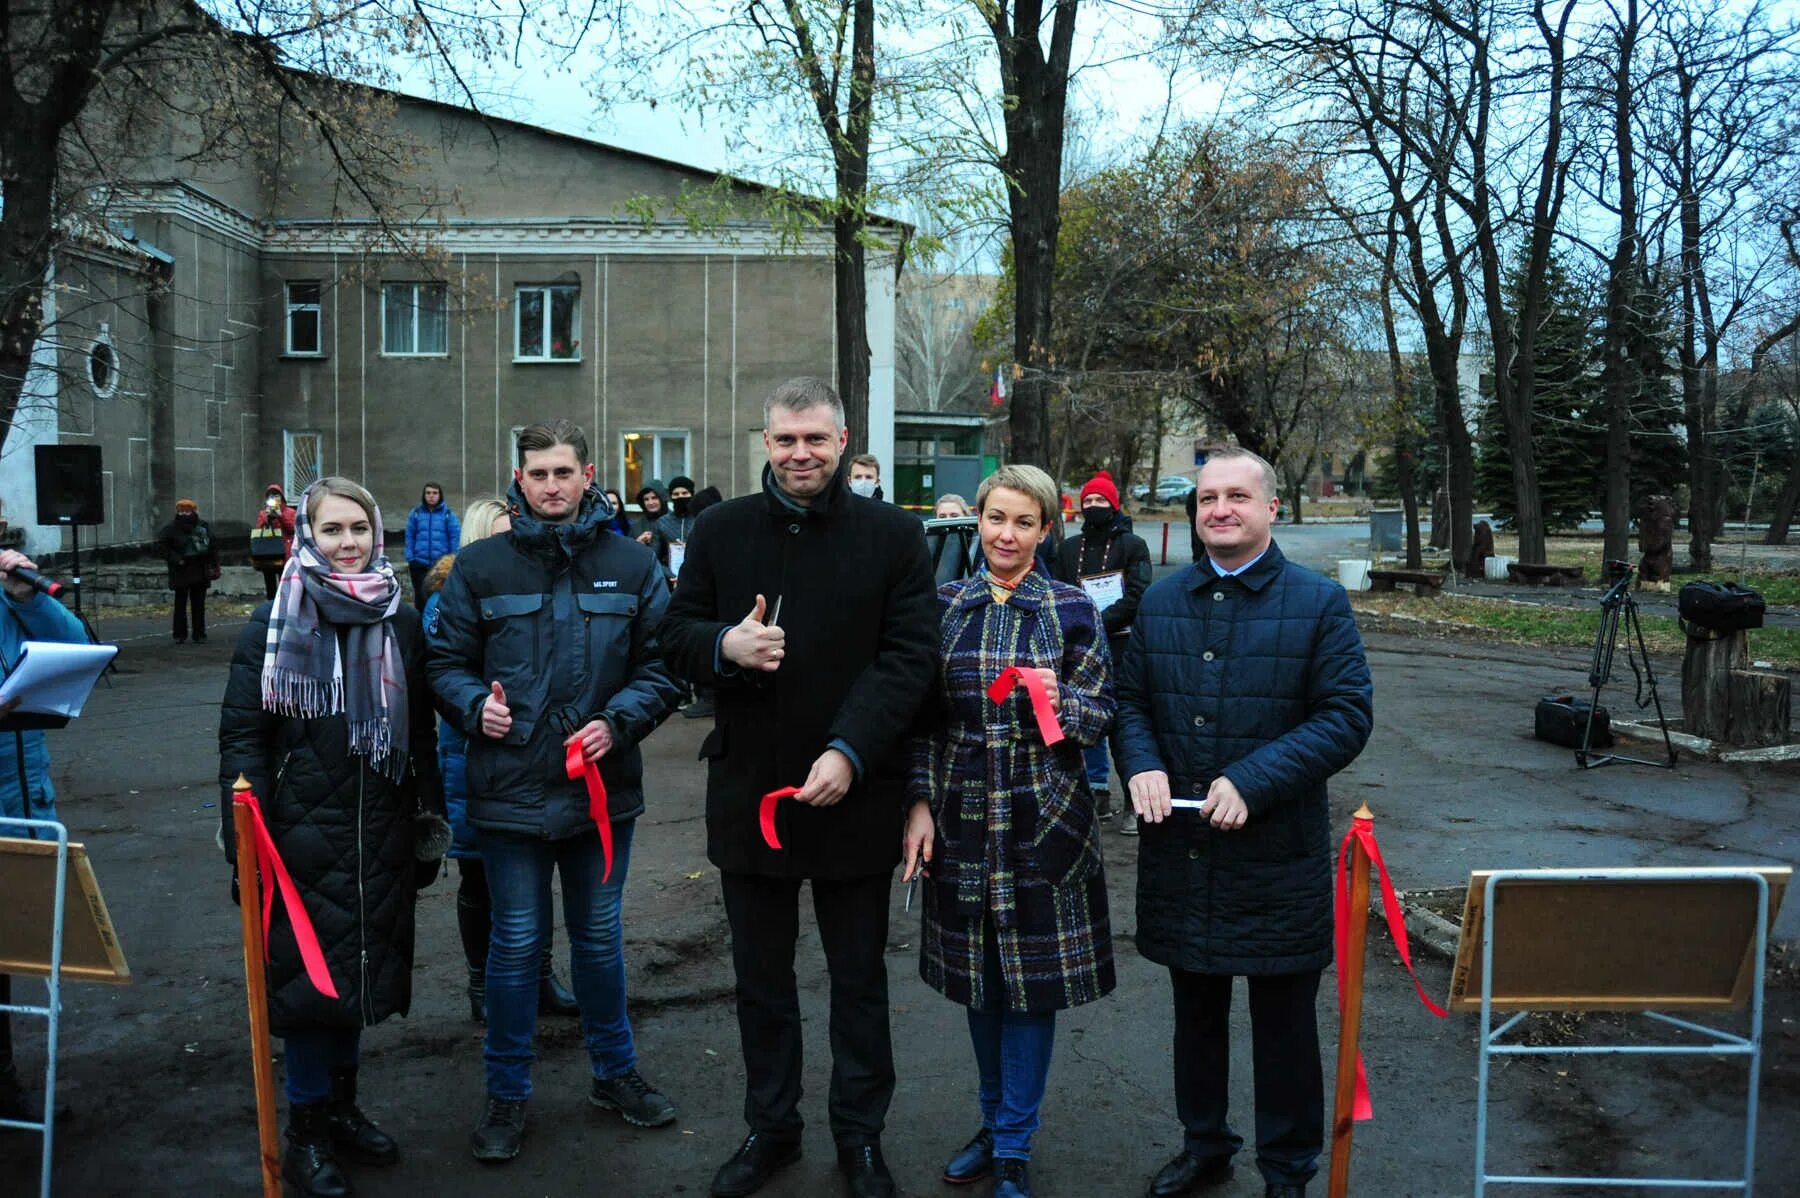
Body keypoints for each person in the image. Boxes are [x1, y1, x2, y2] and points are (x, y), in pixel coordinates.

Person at [660, 377, 937, 1198]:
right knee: (761, 982)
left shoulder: (893, 535)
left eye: (815, 438)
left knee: (858, 981)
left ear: (843, 439)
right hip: (751, 791)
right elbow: (672, 636)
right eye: (785, 440)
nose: (800, 454)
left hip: (856, 790)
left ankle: (861, 1136)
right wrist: (724, 645)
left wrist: (852, 749)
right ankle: (771, 1130)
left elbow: (910, 656)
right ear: (766, 443)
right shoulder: (719, 529)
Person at [1114, 448, 1372, 1198]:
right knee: (1195, 1014)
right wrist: (1142, 765)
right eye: (1206, 499)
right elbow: (1132, 705)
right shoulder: (1163, 601)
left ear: (1270, 509)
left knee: (1283, 1027)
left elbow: (1346, 716)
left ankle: (1287, 1168)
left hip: (1274, 856)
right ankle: (1205, 1144)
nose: (1219, 509)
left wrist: (1254, 781)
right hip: (1184, 852)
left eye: (1236, 496)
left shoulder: (1317, 602)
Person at [429, 420, 684, 1165]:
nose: (550, 486)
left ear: (587, 474)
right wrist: (476, 707)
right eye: (537, 473)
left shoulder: (631, 566)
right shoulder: (479, 567)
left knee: (599, 940)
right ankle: (506, 1091)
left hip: (602, 795)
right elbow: (443, 663)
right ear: (520, 476)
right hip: (507, 792)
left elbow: (664, 667)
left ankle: (615, 1074)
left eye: (562, 472)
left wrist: (619, 721)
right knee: (515, 945)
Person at [217, 477, 445, 1198]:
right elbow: (243, 739)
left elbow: (419, 736)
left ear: (377, 535)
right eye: (332, 530)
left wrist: (426, 824)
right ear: (305, 536)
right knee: (307, 987)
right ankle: (307, 1130)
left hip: (378, 830)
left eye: (358, 529)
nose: (347, 543)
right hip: (296, 837)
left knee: (359, 975)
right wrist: (243, 838)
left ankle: (343, 1110)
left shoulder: (402, 622)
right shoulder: (273, 620)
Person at [903, 465, 1116, 1198]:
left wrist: (1064, 700)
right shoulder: (944, 606)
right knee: (981, 982)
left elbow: (1100, 720)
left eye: (1024, 522)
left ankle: (1015, 1145)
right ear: (979, 521)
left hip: (1043, 816)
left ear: (1046, 529)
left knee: (1032, 987)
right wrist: (919, 805)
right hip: (961, 815)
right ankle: (994, 1126)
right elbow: (924, 722)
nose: (1006, 534)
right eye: (996, 518)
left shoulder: (1072, 608)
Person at [420, 498, 579, 1026]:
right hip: (470, 750)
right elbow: (443, 671)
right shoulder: (448, 598)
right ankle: (480, 981)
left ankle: (540, 975)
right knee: (478, 876)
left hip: (529, 755)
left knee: (534, 876)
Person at [0, 547, 90, 1123]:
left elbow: (77, 650)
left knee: (8, 948)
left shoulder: (12, 596)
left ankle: (4, 1081)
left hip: (15, 795)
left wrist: (27, 596)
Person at [1052, 470, 1151, 829]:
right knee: (1085, 716)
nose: (1094, 506)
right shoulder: (1068, 549)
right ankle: (1096, 793)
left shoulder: (1132, 546)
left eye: (1101, 501)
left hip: (1123, 645)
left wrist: (1100, 621)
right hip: (1080, 647)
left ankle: (1133, 799)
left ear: (1114, 504)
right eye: (1088, 501)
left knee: (1125, 724)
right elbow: (1059, 592)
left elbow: (1139, 594)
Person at [158, 498, 220, 644]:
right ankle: (180, 634)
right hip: (181, 569)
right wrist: (176, 559)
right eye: (182, 511)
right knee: (180, 604)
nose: (185, 514)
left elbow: (213, 545)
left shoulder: (203, 526)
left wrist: (214, 564)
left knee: (199, 604)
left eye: (188, 510)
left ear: (194, 511)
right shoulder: (170, 529)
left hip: (199, 568)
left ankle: (199, 634)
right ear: (177, 511)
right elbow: (161, 548)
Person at [404, 482, 459, 608]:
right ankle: (419, 625)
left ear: (440, 495)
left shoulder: (448, 515)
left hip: (439, 565)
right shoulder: (416, 513)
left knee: (439, 597)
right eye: (428, 493)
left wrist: (452, 559)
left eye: (435, 493)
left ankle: (436, 624)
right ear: (424, 495)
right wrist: (410, 558)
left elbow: (455, 538)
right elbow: (409, 536)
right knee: (420, 597)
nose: (431, 496)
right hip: (419, 563)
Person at [251, 483, 299, 601]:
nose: (273, 497)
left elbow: (292, 529)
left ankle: (285, 606)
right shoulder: (263, 513)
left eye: (276, 495)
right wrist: (267, 519)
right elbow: (259, 532)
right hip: (268, 553)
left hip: (285, 553)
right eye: (270, 495)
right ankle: (271, 606)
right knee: (270, 585)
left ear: (281, 497)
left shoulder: (290, 512)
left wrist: (280, 516)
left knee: (285, 583)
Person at [650, 475, 699, 582]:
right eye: (676, 494)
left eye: (684, 493)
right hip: (669, 581)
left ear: (692, 494)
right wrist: (670, 575)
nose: (680, 497)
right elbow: (653, 557)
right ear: (671, 496)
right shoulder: (661, 523)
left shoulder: (699, 520)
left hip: (697, 578)